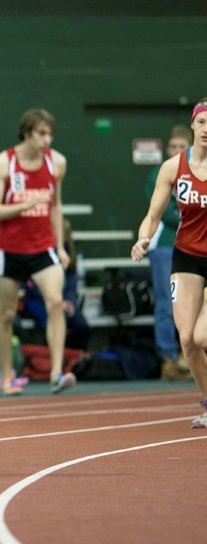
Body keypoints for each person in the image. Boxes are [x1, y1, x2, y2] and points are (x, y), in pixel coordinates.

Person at [0, 108, 75, 396]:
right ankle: (7, 376)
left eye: (50, 134)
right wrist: (23, 206)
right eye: (41, 134)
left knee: (54, 302)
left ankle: (56, 373)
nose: (47, 140)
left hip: (43, 246)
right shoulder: (3, 163)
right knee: (7, 314)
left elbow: (57, 205)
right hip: (10, 250)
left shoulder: (57, 163)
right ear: (27, 133)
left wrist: (60, 246)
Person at [131, 99, 207, 429]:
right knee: (188, 339)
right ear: (192, 125)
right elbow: (152, 216)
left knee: (204, 336)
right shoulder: (173, 167)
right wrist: (143, 238)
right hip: (186, 256)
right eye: (203, 122)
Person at [145, 125, 193, 381]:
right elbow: (163, 209)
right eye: (173, 146)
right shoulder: (159, 173)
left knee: (194, 303)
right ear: (167, 149)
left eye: (181, 146)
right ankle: (168, 358)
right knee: (166, 303)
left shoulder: (198, 171)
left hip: (195, 246)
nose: (176, 151)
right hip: (164, 245)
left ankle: (191, 356)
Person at [21, 219, 90, 351]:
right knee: (51, 322)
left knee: (82, 326)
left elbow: (71, 282)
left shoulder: (67, 254)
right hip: (39, 300)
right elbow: (33, 286)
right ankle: (47, 361)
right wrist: (56, 300)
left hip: (63, 300)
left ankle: (74, 361)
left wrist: (69, 302)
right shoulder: (37, 251)